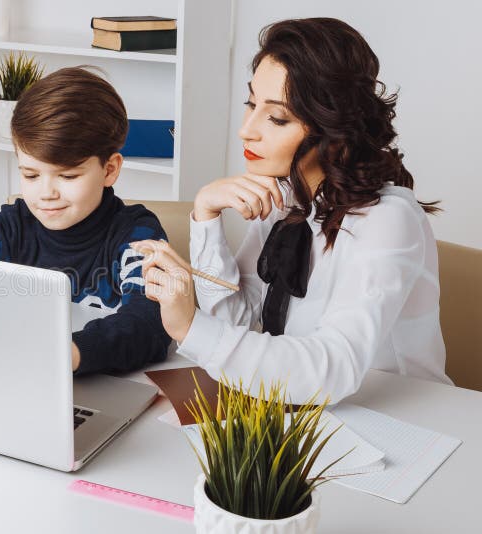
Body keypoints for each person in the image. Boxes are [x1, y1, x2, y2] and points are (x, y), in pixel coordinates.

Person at [133, 18, 452, 403]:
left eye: (277, 117)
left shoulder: (388, 220)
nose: (246, 130)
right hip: (303, 411)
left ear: (333, 129)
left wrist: (190, 328)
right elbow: (240, 322)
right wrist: (206, 216)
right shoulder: (286, 200)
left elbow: (334, 368)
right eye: (252, 104)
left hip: (403, 419)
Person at [0, 66, 171, 374]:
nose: (46, 193)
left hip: (88, 380)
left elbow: (151, 321)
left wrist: (66, 354)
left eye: (68, 176)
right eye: (30, 175)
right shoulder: (10, 226)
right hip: (14, 376)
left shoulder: (136, 233)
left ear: (110, 169)